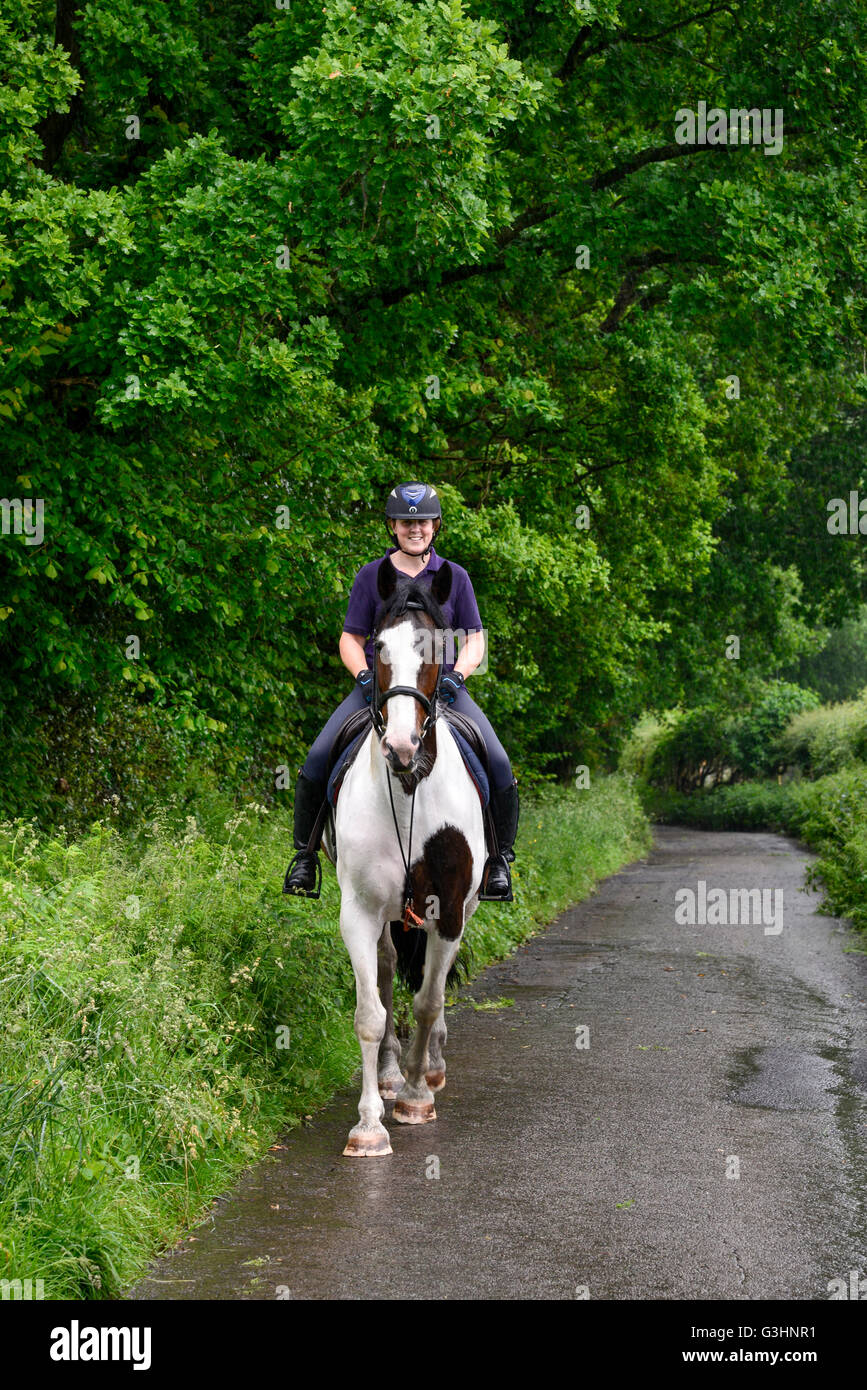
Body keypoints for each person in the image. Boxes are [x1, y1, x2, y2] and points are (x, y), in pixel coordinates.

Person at [283, 481, 519, 900]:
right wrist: (363, 676)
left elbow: (475, 640)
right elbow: (350, 639)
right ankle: (305, 857)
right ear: (392, 525)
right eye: (407, 522)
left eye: (424, 521)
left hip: (442, 690)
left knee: (497, 762)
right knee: (318, 757)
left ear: (436, 526)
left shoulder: (454, 578)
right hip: (381, 689)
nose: (416, 529)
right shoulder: (373, 576)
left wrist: (458, 675)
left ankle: (498, 861)